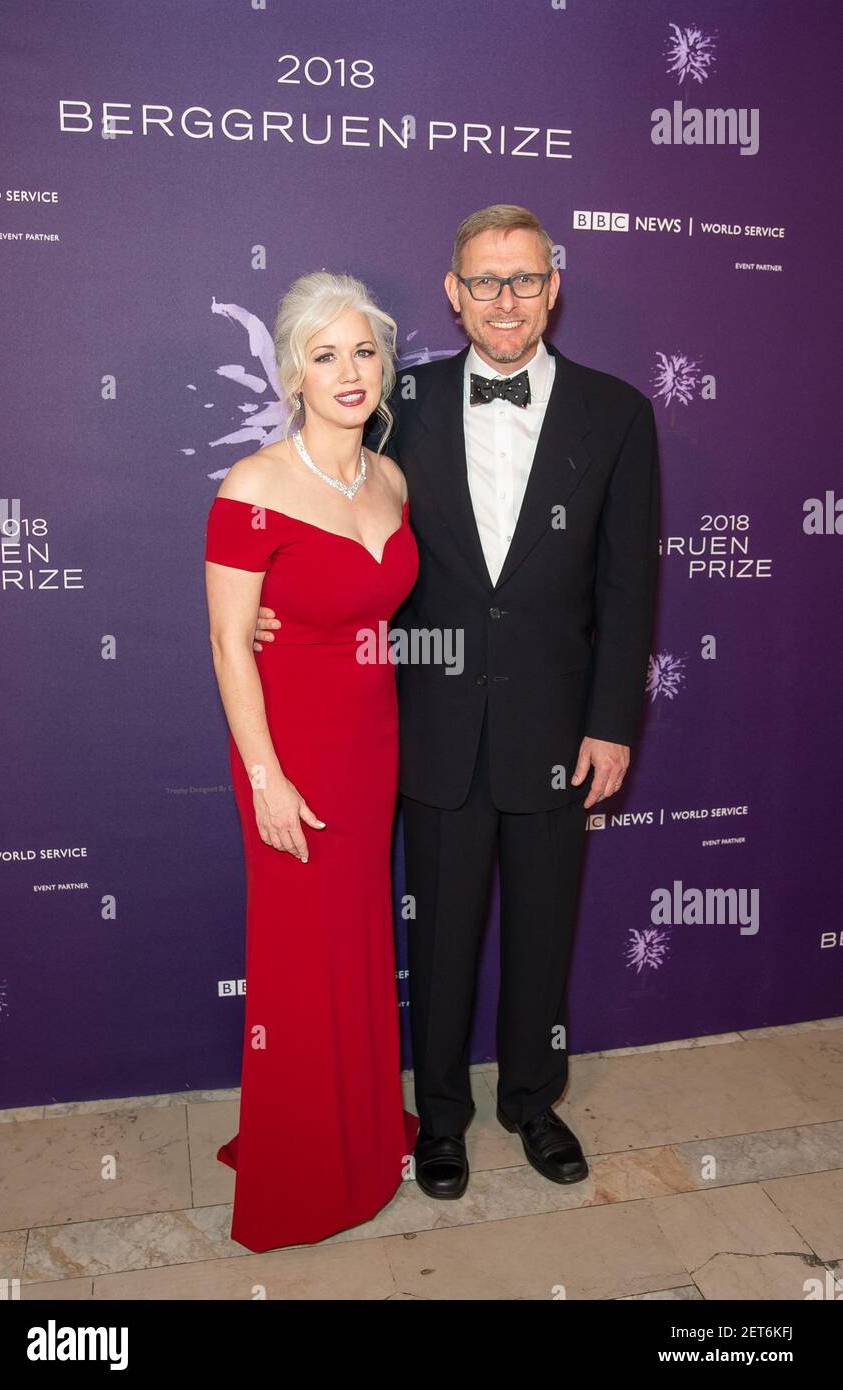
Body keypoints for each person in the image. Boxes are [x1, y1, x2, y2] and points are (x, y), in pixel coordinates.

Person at [254, 204, 660, 1200]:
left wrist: (611, 722)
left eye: (523, 279)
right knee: (435, 940)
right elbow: (313, 497)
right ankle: (438, 1120)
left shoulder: (615, 413)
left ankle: (530, 1098)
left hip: (557, 728)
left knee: (543, 926)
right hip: (427, 725)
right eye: (484, 281)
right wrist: (271, 605)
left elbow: (626, 586)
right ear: (453, 293)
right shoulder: (403, 402)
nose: (505, 300)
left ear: (551, 286)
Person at [204, 271, 420, 1252]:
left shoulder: (390, 479)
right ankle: (302, 1162)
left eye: (363, 351)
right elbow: (227, 643)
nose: (348, 371)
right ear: (291, 370)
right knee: (300, 955)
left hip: (372, 739)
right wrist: (266, 776)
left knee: (359, 941)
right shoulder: (251, 487)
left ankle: (364, 1130)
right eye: (324, 353)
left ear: (383, 364)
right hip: (291, 750)